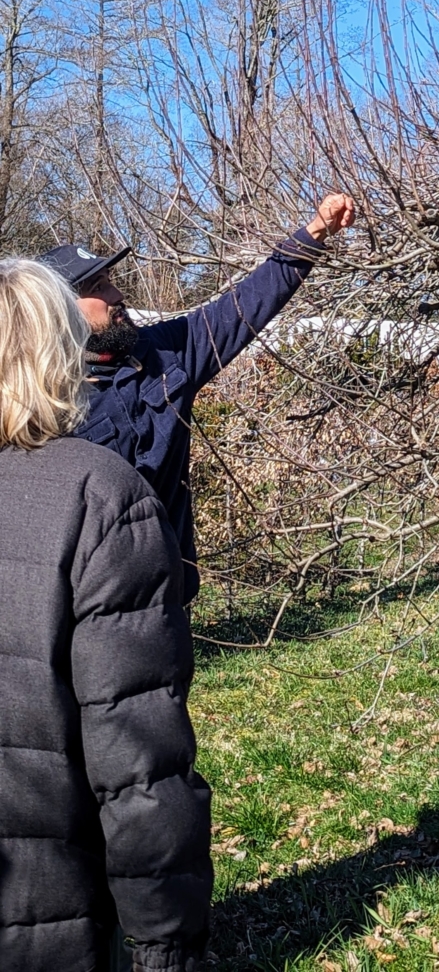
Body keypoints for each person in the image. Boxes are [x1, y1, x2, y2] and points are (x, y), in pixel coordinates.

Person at [0, 258, 212, 972]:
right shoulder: (100, 499)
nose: (120, 296)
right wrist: (165, 950)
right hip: (49, 922)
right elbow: (139, 775)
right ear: (62, 355)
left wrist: (306, 244)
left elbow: (231, 318)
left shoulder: (160, 365)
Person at [39, 193, 356, 603]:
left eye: (111, 281)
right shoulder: (39, 394)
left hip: (165, 594)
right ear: (59, 310)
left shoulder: (165, 353)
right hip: (82, 604)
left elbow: (243, 307)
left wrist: (313, 233)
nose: (117, 295)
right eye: (98, 288)